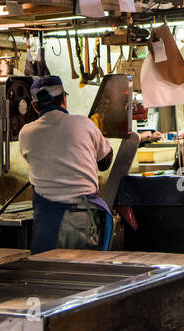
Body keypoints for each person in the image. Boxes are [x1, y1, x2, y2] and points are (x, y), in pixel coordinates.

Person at [18, 75, 114, 254]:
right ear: (64, 98)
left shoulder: (26, 133)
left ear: (34, 106)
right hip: (85, 221)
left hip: (49, 224)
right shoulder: (84, 124)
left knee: (50, 277)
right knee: (85, 278)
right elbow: (105, 162)